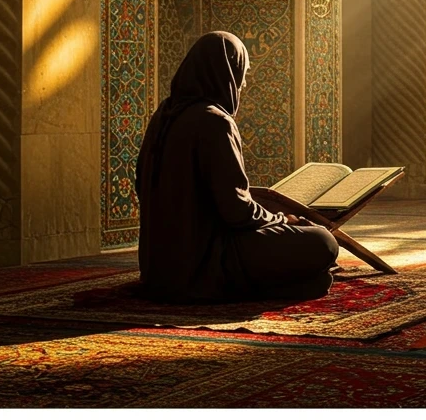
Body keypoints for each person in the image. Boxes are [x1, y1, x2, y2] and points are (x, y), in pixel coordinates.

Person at [135, 30, 339, 303]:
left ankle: (292, 283)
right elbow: (236, 212)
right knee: (323, 241)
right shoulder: (215, 121)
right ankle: (258, 287)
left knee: (308, 248)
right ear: (227, 72)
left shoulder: (162, 116)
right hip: (204, 262)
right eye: (242, 73)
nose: (242, 84)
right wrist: (282, 219)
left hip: (159, 268)